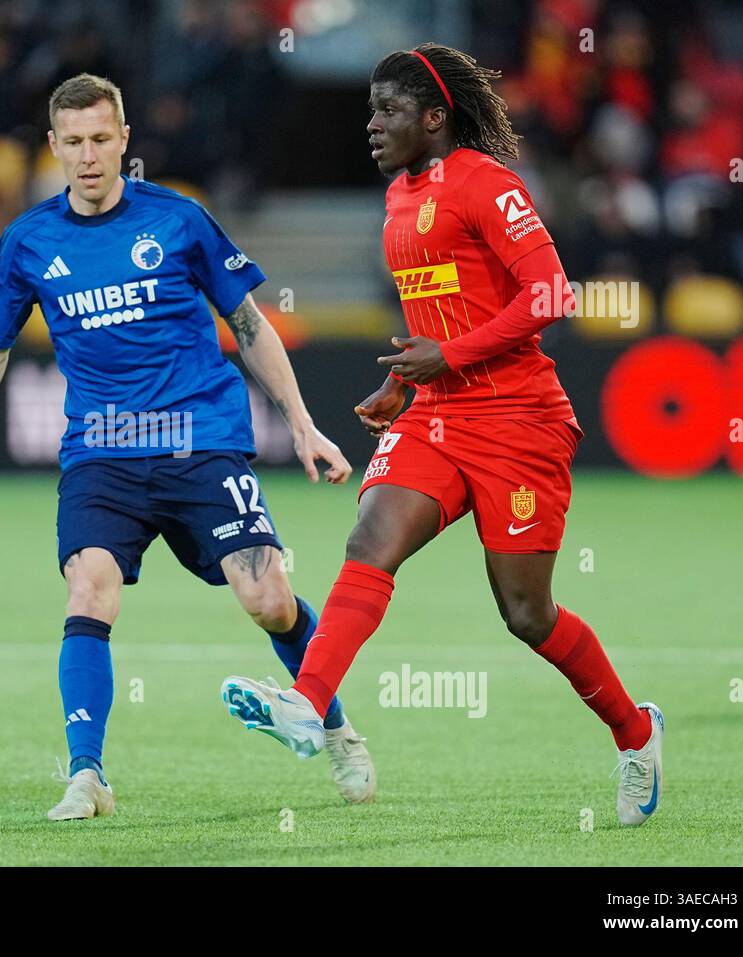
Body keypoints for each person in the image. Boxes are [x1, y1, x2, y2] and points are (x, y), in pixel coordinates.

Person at [220, 44, 663, 827]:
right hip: (438, 414)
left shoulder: (490, 185)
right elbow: (441, 305)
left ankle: (636, 732)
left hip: (519, 418)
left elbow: (551, 291)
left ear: (434, 117)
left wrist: (448, 355)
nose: (371, 125)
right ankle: (305, 702)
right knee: (371, 538)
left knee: (526, 614)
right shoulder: (398, 198)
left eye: (388, 110)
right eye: (369, 110)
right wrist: (405, 380)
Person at [0, 74, 366, 820]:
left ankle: (334, 725)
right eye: (73, 143)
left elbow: (249, 325)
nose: (88, 156)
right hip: (102, 451)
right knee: (89, 590)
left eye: (101, 139)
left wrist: (304, 424)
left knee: (268, 599)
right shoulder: (28, 241)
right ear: (53, 147)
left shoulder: (179, 221)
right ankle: (87, 776)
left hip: (200, 439)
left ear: (124, 140)